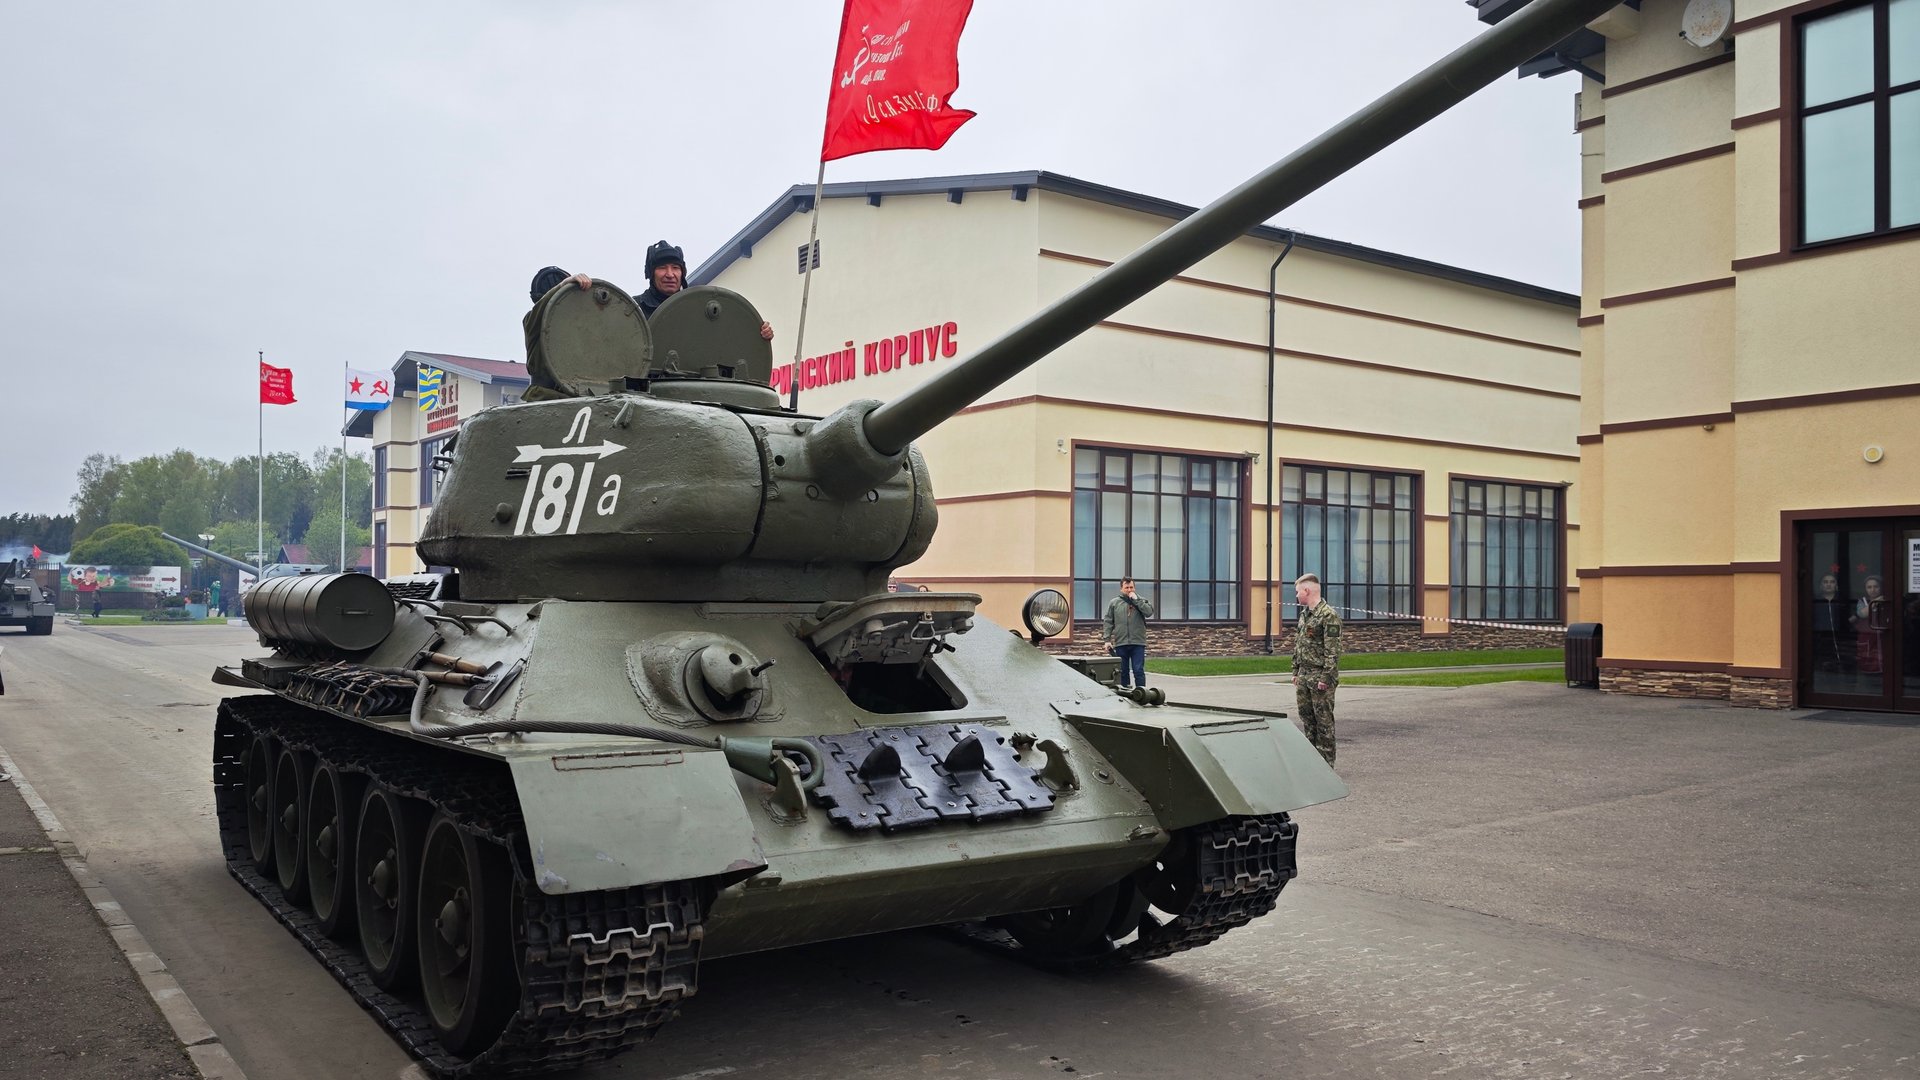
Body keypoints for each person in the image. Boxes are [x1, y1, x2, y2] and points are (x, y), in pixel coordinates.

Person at [532, 244, 774, 338]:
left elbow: (722, 339)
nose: (670, 274)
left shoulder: (700, 310)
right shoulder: (631, 311)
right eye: (662, 268)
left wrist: (757, 334)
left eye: (676, 268)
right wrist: (567, 287)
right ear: (651, 273)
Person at [1291, 573, 1342, 766]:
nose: (1296, 596)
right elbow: (1299, 644)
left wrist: (1326, 678)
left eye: (1298, 592)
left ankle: (1326, 764)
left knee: (1323, 722)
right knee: (1307, 719)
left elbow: (1333, 651)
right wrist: (1295, 671)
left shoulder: (1328, 615)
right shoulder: (1305, 615)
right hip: (1304, 675)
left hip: (1320, 676)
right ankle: (1312, 763)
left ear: (1307, 591)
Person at [1102, 578, 1154, 690]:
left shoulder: (1142, 601)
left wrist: (1137, 600)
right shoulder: (1114, 603)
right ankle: (1125, 693)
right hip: (1121, 642)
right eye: (1126, 587)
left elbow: (1149, 612)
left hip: (1138, 642)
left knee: (1138, 670)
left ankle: (1141, 693)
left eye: (1131, 587)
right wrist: (1107, 640)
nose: (1129, 590)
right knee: (1123, 671)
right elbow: (1108, 621)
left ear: (1134, 588)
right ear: (1121, 588)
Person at [1810, 572, 1850, 672]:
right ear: (1821, 586)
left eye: (1832, 582)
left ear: (1836, 586)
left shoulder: (1842, 602)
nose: (1828, 584)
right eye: (1825, 582)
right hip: (1821, 640)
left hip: (1841, 640)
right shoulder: (1815, 602)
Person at [1853, 574, 1888, 676]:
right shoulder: (1862, 601)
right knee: (1867, 658)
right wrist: (1875, 602)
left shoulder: (1886, 600)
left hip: (1882, 635)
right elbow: (1862, 614)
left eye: (1876, 586)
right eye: (1869, 587)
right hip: (1867, 636)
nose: (1872, 590)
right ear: (1865, 589)